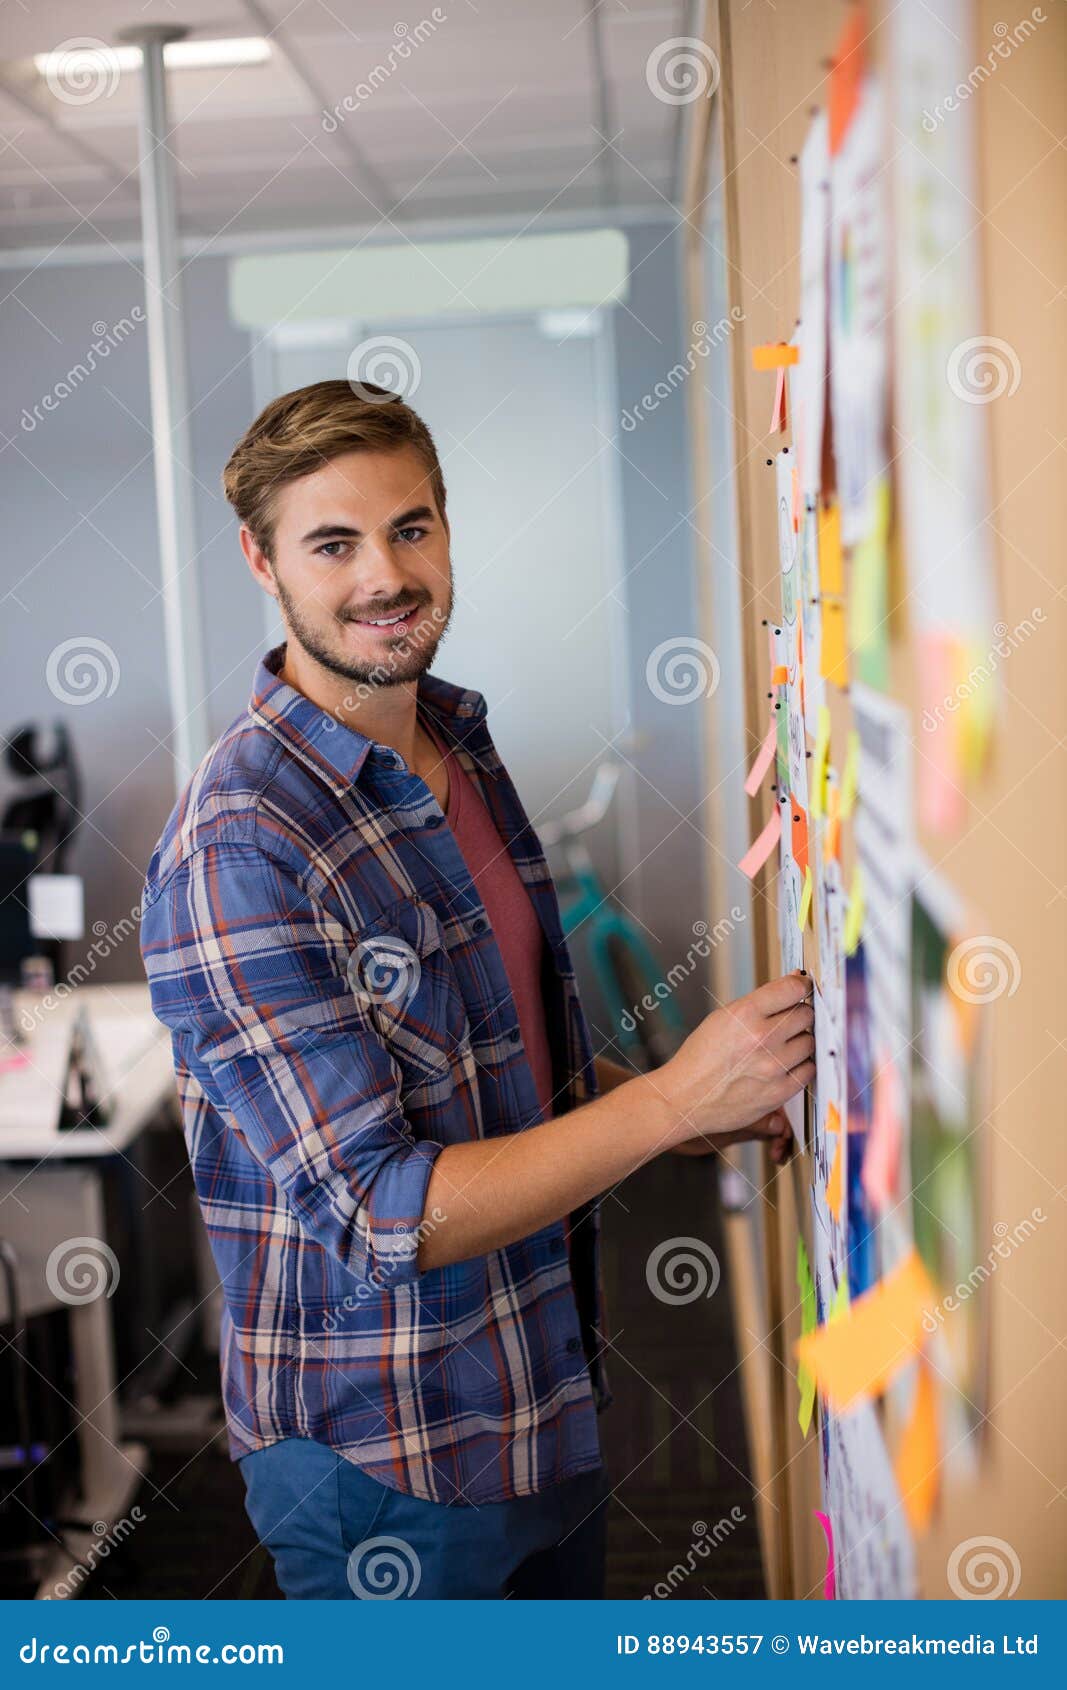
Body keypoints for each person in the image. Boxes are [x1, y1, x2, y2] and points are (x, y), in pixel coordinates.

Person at [139, 379, 813, 1601]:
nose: (384, 577)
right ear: (260, 561)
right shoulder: (243, 845)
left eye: (410, 528)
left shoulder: (448, 740)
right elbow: (380, 1210)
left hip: (533, 1388)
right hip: (384, 1451)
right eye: (332, 544)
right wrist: (665, 1103)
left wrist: (684, 1104)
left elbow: (495, 1055)